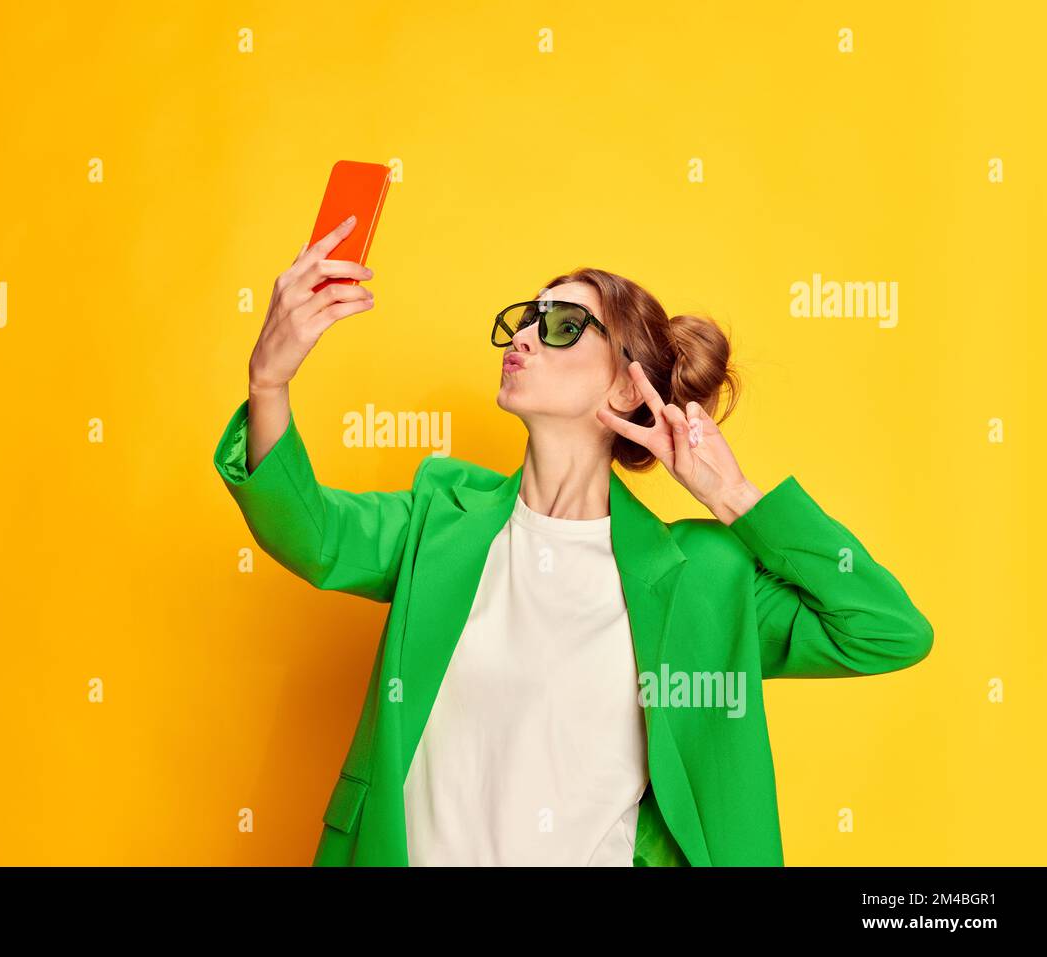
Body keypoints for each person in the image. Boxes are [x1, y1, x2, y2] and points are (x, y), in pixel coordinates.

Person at [213, 214, 934, 866]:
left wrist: (732, 498)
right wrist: (269, 379)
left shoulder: (699, 576)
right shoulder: (440, 515)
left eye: (561, 324)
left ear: (626, 388)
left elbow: (886, 630)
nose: (525, 335)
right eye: (526, 318)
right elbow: (310, 534)